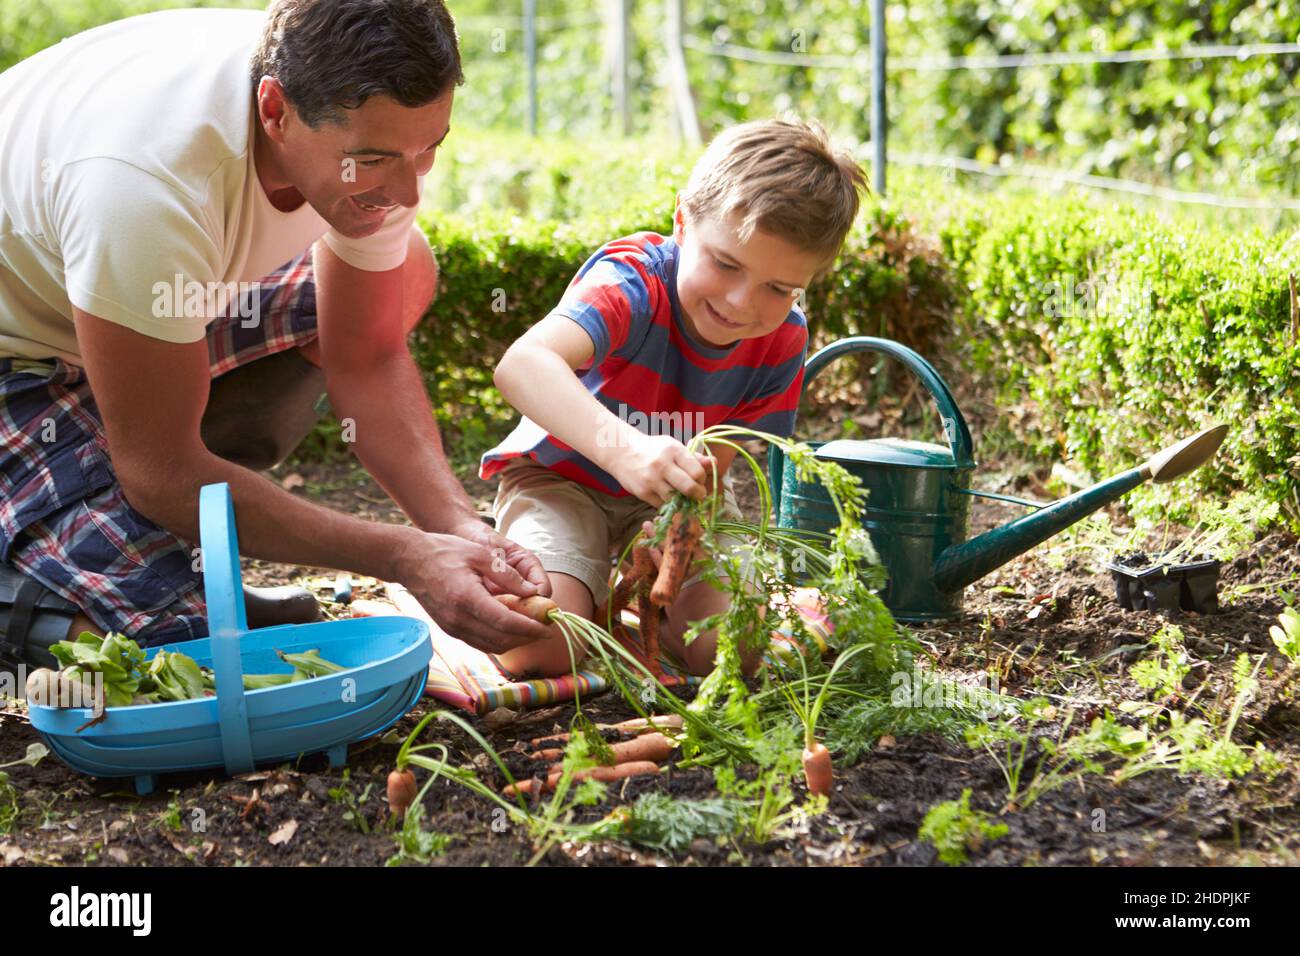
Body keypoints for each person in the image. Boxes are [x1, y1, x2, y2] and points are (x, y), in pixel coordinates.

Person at [0, 0, 553, 675]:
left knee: (406, 272)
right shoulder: (147, 185)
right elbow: (161, 471)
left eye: (430, 146)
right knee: (167, 652)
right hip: (17, 352)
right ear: (274, 111)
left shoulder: (347, 114)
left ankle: (137, 512)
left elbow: (368, 358)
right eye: (375, 159)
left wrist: (459, 529)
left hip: (125, 304)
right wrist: (403, 555)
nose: (408, 188)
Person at [480, 117, 867, 678]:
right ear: (682, 221)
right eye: (726, 263)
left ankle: (631, 601)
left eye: (779, 288)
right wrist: (623, 449)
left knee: (729, 652)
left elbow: (717, 466)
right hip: (561, 479)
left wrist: (675, 526)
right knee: (537, 646)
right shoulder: (631, 284)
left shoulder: (783, 342)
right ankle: (574, 586)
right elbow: (522, 365)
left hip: (675, 501)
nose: (740, 302)